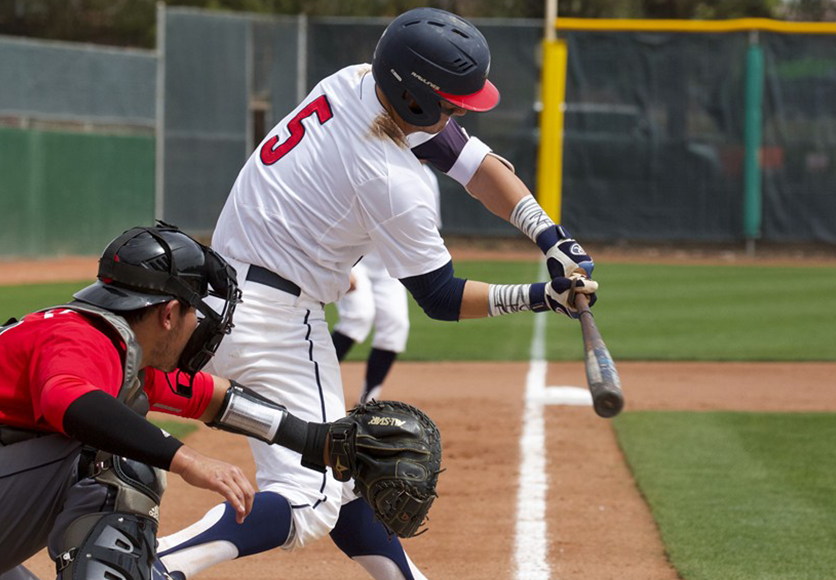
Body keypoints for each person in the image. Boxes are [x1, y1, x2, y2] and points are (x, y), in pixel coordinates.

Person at [155, 8, 598, 580]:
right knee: (307, 501)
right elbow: (439, 296)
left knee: (336, 467)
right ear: (415, 96)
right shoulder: (391, 179)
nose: (461, 110)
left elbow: (474, 164)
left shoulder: (357, 81)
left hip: (214, 294)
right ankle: (153, 565)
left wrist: (550, 235)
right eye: (453, 101)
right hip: (274, 320)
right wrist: (541, 296)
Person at [0, 224, 371, 580]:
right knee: (115, 456)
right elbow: (72, 404)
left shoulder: (118, 349)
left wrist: (315, 441)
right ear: (168, 313)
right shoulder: (80, 338)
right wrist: (189, 461)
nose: (200, 324)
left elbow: (214, 400)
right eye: (195, 311)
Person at [331, 164, 440, 404]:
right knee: (358, 316)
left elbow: (427, 231)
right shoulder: (371, 165)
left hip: (389, 265)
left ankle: (368, 401)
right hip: (352, 257)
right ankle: (310, 378)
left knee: (395, 326)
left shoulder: (427, 179)